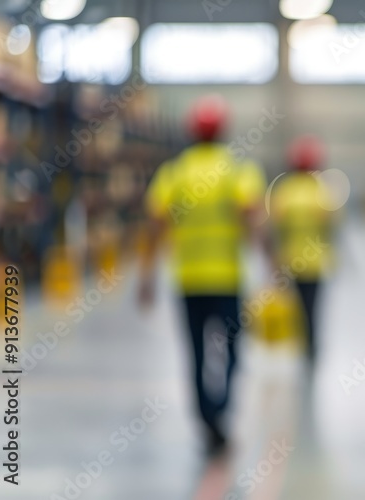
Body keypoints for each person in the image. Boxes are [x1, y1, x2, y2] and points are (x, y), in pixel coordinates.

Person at [138, 95, 266, 454]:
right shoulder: (238, 171)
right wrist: (272, 265)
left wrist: (147, 277)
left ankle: (206, 418)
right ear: (223, 130)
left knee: (195, 353)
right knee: (232, 352)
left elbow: (155, 228)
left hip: (188, 280)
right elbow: (253, 220)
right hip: (227, 279)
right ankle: (219, 411)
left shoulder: (174, 173)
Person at [270, 135, 336, 365]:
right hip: (315, 262)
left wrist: (275, 262)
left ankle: (300, 347)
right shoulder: (322, 191)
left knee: (294, 308)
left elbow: (277, 229)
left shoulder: (285, 191)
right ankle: (311, 349)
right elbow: (331, 227)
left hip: (290, 260)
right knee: (312, 309)